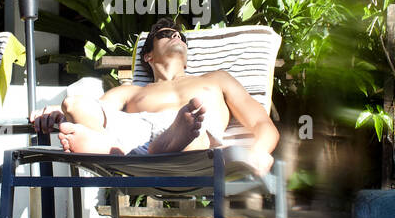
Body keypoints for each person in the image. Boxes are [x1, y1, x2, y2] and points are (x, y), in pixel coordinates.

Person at [31, 18, 278, 174]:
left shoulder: (216, 79)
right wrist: (57, 110)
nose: (176, 37)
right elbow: (94, 112)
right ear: (148, 56)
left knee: (194, 130)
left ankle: (163, 140)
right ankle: (111, 147)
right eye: (166, 34)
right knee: (73, 102)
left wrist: (259, 151)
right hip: (134, 136)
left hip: (195, 138)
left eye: (180, 36)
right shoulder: (132, 91)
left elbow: (262, 124)